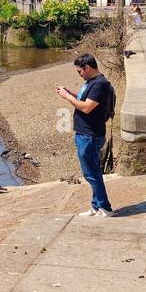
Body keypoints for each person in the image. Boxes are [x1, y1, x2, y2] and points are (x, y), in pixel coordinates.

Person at [56, 53, 115, 217]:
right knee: (91, 172)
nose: (79, 74)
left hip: (90, 135)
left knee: (92, 173)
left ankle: (104, 207)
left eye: (79, 71)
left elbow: (87, 107)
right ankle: (96, 206)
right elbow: (84, 99)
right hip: (85, 134)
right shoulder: (92, 83)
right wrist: (71, 93)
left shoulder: (100, 84)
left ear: (87, 68)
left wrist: (67, 97)